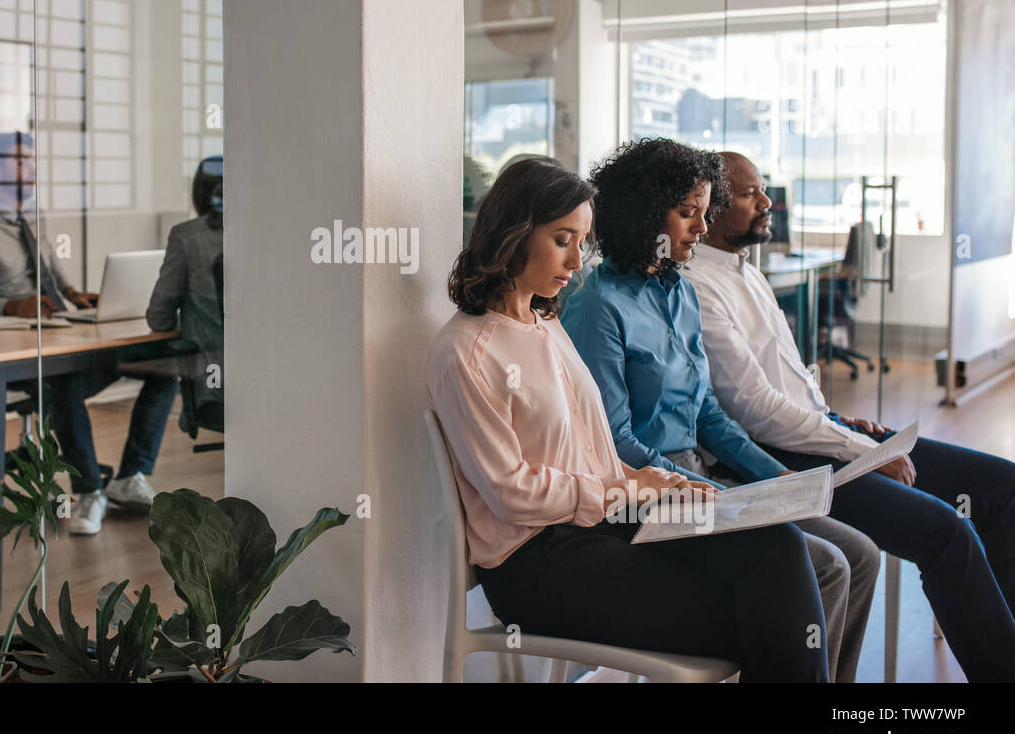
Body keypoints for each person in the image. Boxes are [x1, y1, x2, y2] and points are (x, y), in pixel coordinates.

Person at [425, 155, 828, 681]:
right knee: (768, 614)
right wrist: (625, 493)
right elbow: (511, 492)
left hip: (604, 523)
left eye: (582, 241)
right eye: (562, 239)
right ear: (514, 233)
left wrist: (646, 482)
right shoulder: (467, 353)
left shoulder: (545, 323)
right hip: (543, 564)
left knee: (776, 547)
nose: (575, 262)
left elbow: (592, 448)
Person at [683, 150, 1015, 680]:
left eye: (762, 188)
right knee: (945, 532)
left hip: (822, 433)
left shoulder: (746, 271)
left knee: (1001, 487)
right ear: (708, 210)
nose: (768, 202)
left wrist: (842, 421)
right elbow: (756, 411)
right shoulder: (698, 284)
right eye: (750, 194)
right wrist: (855, 448)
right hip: (783, 457)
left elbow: (788, 383)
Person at [560, 138, 879, 682]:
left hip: (700, 474)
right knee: (823, 565)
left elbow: (708, 411)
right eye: (688, 214)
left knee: (861, 554)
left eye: (706, 214)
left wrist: (773, 476)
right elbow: (612, 440)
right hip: (642, 493)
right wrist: (721, 496)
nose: (703, 229)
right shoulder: (597, 305)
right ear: (643, 213)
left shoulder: (680, 292)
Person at [0, 131, 176, 535]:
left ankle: (130, 476)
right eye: (23, 161)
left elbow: (53, 274)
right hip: (19, 343)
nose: (32, 168)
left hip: (60, 328)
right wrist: (13, 304)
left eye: (32, 160)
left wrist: (74, 294)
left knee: (166, 367)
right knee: (65, 381)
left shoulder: (32, 215)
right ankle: (89, 491)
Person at [146, 155, 224, 430]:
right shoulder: (265, 235)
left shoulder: (186, 237)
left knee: (159, 373)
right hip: (268, 387)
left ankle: (133, 470)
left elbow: (159, 318)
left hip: (214, 390)